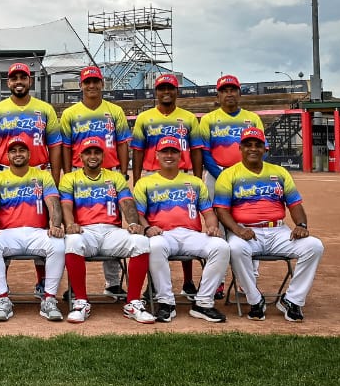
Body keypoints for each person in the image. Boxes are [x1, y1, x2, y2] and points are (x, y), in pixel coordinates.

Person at [214, 127, 324, 322]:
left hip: (278, 230)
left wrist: (302, 225)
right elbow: (221, 210)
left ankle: (292, 300)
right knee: (235, 248)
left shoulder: (279, 172)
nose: (253, 149)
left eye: (258, 145)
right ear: (240, 148)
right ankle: (255, 300)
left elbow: (294, 204)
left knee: (314, 246)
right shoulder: (228, 175)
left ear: (265, 149)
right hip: (246, 230)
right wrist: (238, 230)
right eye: (248, 145)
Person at [0, 62, 64, 297]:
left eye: (23, 77)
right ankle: (0, 286)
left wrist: (54, 178)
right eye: (14, 78)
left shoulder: (44, 109)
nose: (19, 81)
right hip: (4, 172)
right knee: (2, 227)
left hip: (38, 172)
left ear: (30, 81)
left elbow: (55, 146)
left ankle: (43, 282)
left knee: (42, 227)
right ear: (8, 82)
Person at [133, 136, 230, 323]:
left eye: (173, 152)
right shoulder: (144, 183)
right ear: (157, 155)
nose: (169, 155)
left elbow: (208, 212)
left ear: (181, 155)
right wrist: (147, 228)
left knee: (221, 246)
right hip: (163, 234)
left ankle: (203, 303)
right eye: (165, 152)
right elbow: (138, 214)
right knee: (155, 245)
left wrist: (212, 227)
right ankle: (166, 303)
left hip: (191, 234)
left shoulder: (195, 182)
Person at [59, 138, 154, 324]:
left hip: (112, 231)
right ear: (80, 157)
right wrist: (70, 224)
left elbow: (126, 202)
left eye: (97, 152)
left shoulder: (115, 177)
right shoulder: (70, 178)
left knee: (141, 241)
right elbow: (66, 206)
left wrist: (133, 223)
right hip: (86, 231)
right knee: (72, 241)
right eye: (88, 153)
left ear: (103, 156)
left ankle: (133, 302)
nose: (92, 156)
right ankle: (81, 302)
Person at [131, 72, 208, 300]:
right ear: (156, 92)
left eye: (170, 88)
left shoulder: (189, 118)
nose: (166, 92)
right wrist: (137, 179)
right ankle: (153, 284)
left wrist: (196, 178)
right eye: (162, 88)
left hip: (183, 174)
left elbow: (196, 150)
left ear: (177, 91)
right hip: (151, 175)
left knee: (188, 225)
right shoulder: (145, 118)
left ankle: (188, 281)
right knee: (151, 230)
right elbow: (138, 151)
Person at [60, 65, 132, 297]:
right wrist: (67, 173)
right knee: (76, 226)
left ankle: (112, 283)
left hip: (110, 171)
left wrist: (123, 172)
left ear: (102, 84)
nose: (91, 85)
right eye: (87, 82)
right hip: (79, 172)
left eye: (95, 81)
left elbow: (122, 143)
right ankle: (75, 287)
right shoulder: (71, 113)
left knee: (111, 224)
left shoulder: (115, 111)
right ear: (81, 85)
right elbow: (66, 146)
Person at [0, 138, 65, 322]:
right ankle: (3, 299)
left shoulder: (42, 175)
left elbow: (53, 203)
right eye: (13, 151)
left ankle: (49, 299)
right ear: (7, 156)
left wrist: (56, 225)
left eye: (22, 150)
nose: (18, 154)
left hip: (37, 232)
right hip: (8, 233)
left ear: (29, 154)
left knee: (58, 244)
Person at [199, 75, 264, 198]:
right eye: (224, 91)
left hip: (247, 173)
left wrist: (248, 172)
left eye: (233, 90)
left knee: (247, 208)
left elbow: (263, 149)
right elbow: (205, 153)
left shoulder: (253, 118)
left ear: (240, 94)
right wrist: (222, 176)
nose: (229, 94)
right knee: (216, 209)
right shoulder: (207, 119)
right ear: (218, 96)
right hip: (215, 174)